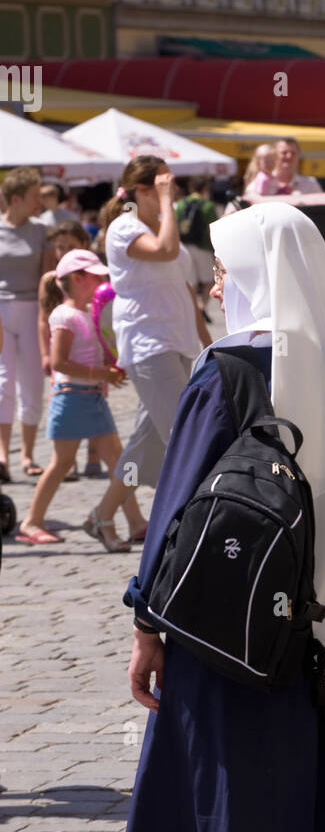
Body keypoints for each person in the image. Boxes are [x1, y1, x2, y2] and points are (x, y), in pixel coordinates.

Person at [121, 203, 325, 832]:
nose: (215, 286)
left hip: (231, 631)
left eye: (222, 270)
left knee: (238, 795)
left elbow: (176, 512)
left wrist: (146, 621)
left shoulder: (227, 371)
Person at [90, 157, 202, 553]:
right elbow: (166, 251)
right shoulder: (124, 228)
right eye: (163, 185)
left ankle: (102, 514)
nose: (172, 191)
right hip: (148, 343)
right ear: (141, 191)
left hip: (177, 340)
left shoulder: (157, 223)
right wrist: (168, 203)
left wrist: (206, 341)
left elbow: (185, 288)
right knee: (186, 436)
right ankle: (188, 526)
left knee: (146, 445)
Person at [15, 251, 126, 545]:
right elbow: (59, 362)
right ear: (78, 280)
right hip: (72, 398)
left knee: (120, 462)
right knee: (62, 463)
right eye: (95, 275)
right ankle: (31, 521)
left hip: (91, 398)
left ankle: (134, 520)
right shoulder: (64, 315)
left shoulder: (88, 312)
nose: (102, 279)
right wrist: (101, 373)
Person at [38, 222, 109, 482]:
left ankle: (92, 457)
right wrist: (46, 354)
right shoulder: (55, 291)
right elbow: (44, 320)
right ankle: (34, 517)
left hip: (90, 376)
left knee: (116, 458)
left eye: (70, 246)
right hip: (70, 382)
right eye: (60, 247)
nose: (63, 251)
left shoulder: (91, 297)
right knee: (63, 460)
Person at [0, 167, 54, 482]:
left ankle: (29, 454)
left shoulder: (39, 230)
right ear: (16, 199)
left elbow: (46, 278)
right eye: (34, 196)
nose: (39, 201)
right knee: (3, 383)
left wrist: (45, 318)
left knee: (32, 384)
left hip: (32, 309)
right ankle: (3, 454)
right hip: (1, 311)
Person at [174, 176, 217, 318]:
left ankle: (191, 309)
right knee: (210, 280)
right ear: (205, 189)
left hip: (184, 247)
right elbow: (214, 227)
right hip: (202, 246)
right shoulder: (207, 206)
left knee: (190, 281)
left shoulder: (180, 205)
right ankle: (201, 306)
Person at [246, 138, 322, 200]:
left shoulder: (311, 184)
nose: (289, 156)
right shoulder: (260, 181)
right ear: (273, 156)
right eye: (284, 153)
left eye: (293, 153)